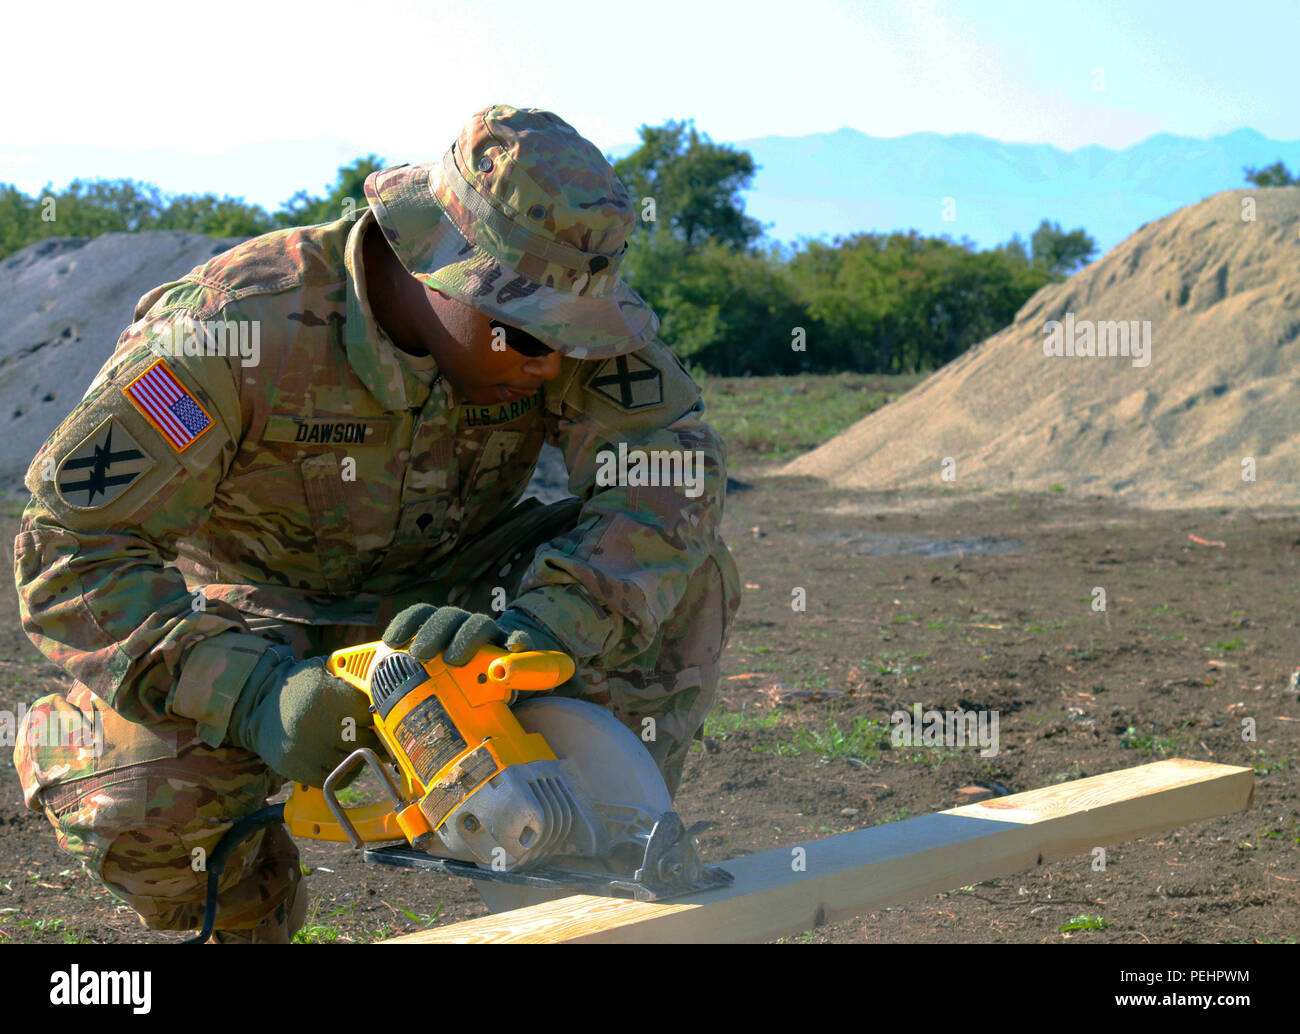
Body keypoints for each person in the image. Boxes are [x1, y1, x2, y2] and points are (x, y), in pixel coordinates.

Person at [11, 104, 740, 942]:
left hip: (470, 609)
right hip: (258, 623)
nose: (552, 364)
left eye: (571, 340)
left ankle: (598, 868)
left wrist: (544, 627)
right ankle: (248, 911)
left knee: (690, 578)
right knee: (135, 802)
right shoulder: (231, 331)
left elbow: (666, 468)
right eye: (525, 335)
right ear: (437, 265)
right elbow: (69, 549)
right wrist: (252, 695)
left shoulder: (562, 307)